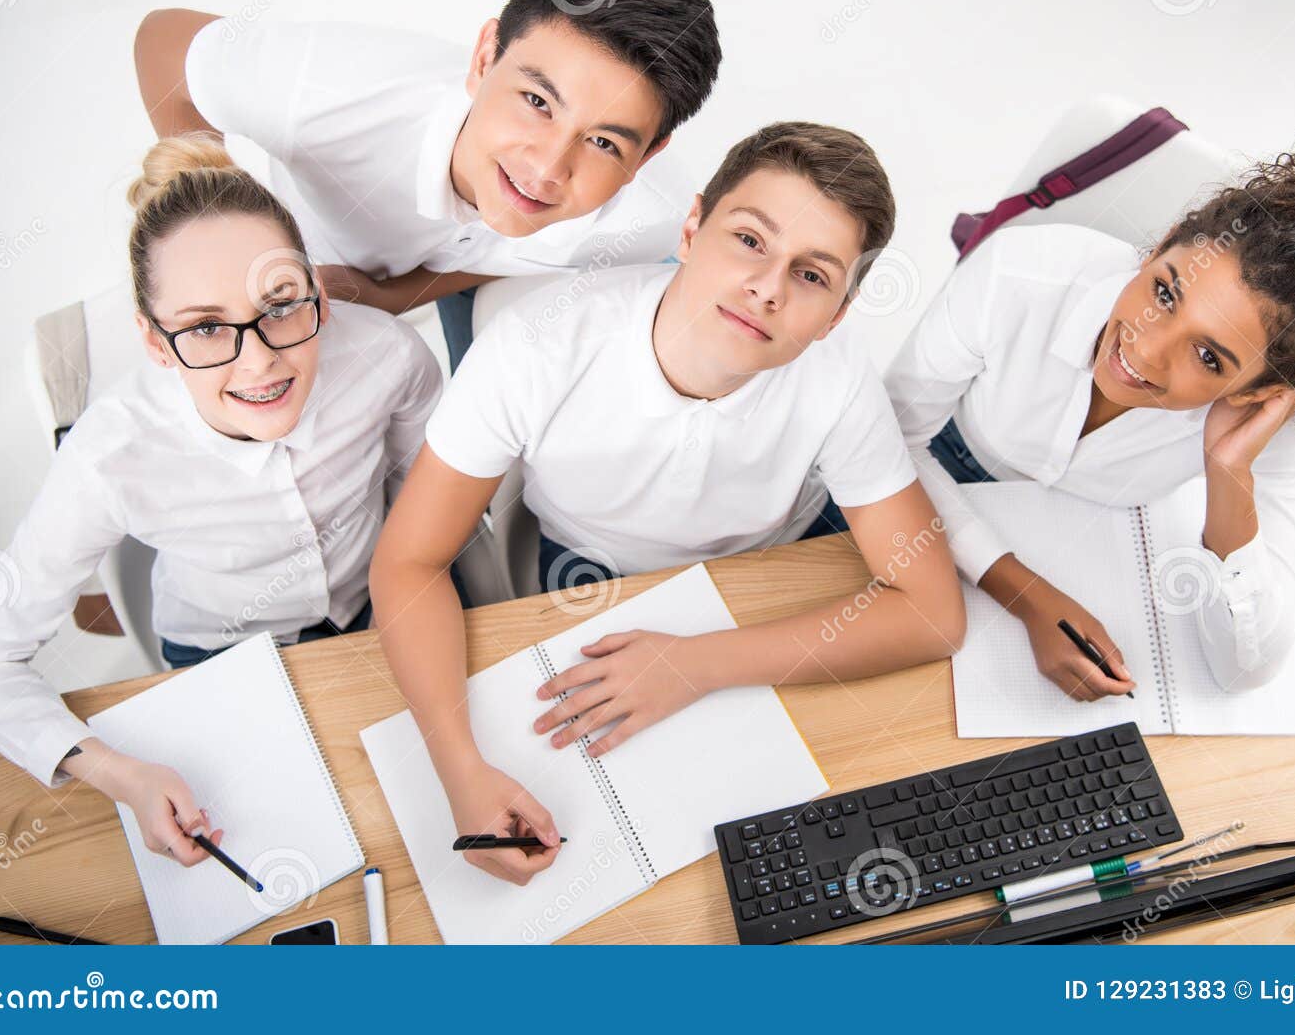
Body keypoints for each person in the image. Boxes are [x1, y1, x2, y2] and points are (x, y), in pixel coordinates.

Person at [371, 122, 966, 885]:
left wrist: (698, 665)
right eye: (750, 240)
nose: (768, 289)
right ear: (691, 228)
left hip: (763, 571)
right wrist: (460, 774)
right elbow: (410, 559)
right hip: (594, 572)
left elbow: (931, 612)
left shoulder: (837, 376)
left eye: (813, 277)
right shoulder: (534, 348)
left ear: (838, 316)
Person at [0, 134, 441, 867]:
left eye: (280, 305)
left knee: (407, 833)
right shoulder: (111, 455)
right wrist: (118, 774)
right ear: (154, 341)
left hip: (377, 611)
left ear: (318, 293)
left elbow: (426, 498)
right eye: (207, 327)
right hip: (218, 657)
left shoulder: (389, 357)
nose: (260, 359)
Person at [886, 148, 1295, 698]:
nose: (1146, 351)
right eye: (1164, 291)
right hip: (934, 466)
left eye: (1209, 358)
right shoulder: (1018, 275)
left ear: (1262, 391)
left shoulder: (1273, 421)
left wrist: (1228, 472)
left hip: (1077, 532)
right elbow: (890, 444)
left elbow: (1245, 669)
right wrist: (1027, 597)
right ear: (1161, 245)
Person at [132, 0, 721, 370]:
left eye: (602, 142)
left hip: (416, 284)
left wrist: (393, 293)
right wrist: (218, 223)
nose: (545, 168)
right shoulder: (326, 91)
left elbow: (502, 254)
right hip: (297, 255)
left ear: (647, 157)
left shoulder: (650, 221)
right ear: (486, 57)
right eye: (538, 102)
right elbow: (163, 43)